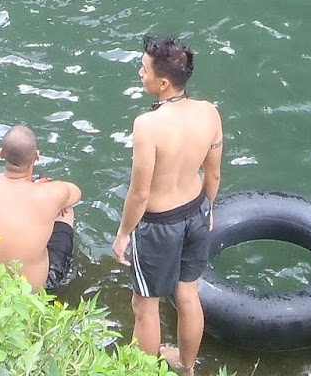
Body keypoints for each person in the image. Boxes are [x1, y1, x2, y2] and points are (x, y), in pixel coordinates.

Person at [112, 36, 223, 376]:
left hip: (159, 225)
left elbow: (140, 194)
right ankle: (186, 368)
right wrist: (209, 210)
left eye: (143, 69)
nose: (139, 73)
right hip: (196, 211)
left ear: (163, 83)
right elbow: (214, 175)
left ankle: (142, 371)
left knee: (145, 305)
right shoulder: (209, 112)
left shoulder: (148, 125)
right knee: (188, 295)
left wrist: (123, 233)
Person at [0, 125, 82, 294]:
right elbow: (76, 193)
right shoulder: (52, 194)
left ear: (1, 153)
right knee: (66, 210)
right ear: (37, 156)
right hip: (33, 291)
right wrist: (41, 188)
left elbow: (7, 188)